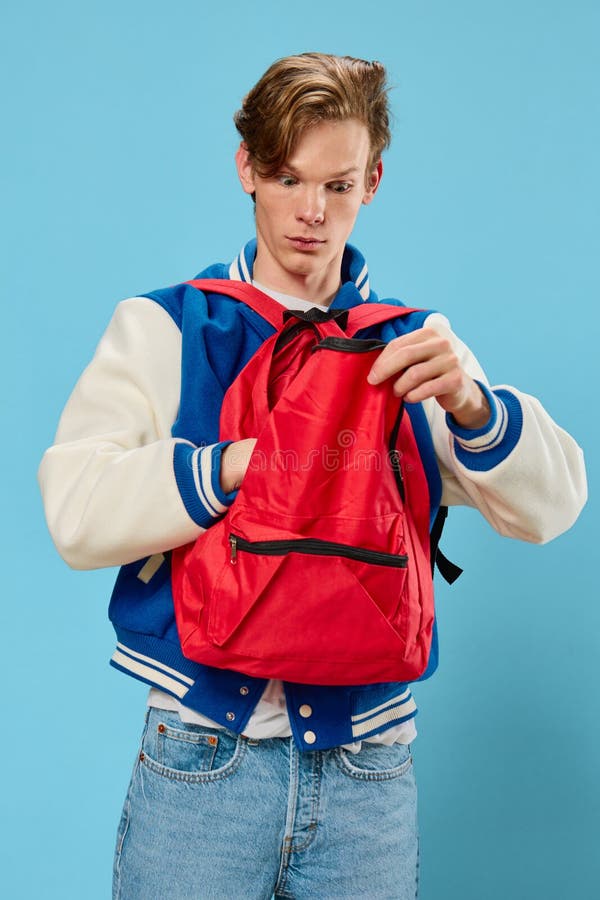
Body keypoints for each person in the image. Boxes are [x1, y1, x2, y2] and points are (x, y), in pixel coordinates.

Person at [38, 52, 586, 900]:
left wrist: (475, 408)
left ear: (373, 180)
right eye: (290, 178)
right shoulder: (166, 328)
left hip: (370, 777)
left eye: (337, 184)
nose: (311, 212)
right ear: (247, 169)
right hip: (201, 768)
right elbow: (74, 513)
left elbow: (553, 508)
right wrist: (238, 469)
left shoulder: (411, 343)